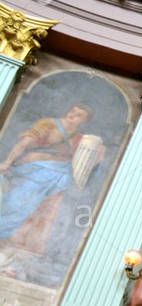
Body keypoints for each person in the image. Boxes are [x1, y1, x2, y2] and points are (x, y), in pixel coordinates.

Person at [0, 104, 105, 276]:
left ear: (84, 121)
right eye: (73, 110)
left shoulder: (80, 139)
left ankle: (15, 263)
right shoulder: (48, 124)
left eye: (79, 115)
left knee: (41, 219)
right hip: (34, 171)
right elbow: (25, 143)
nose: (73, 114)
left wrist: (97, 156)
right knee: (15, 207)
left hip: (59, 180)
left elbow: (84, 165)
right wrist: (8, 162)